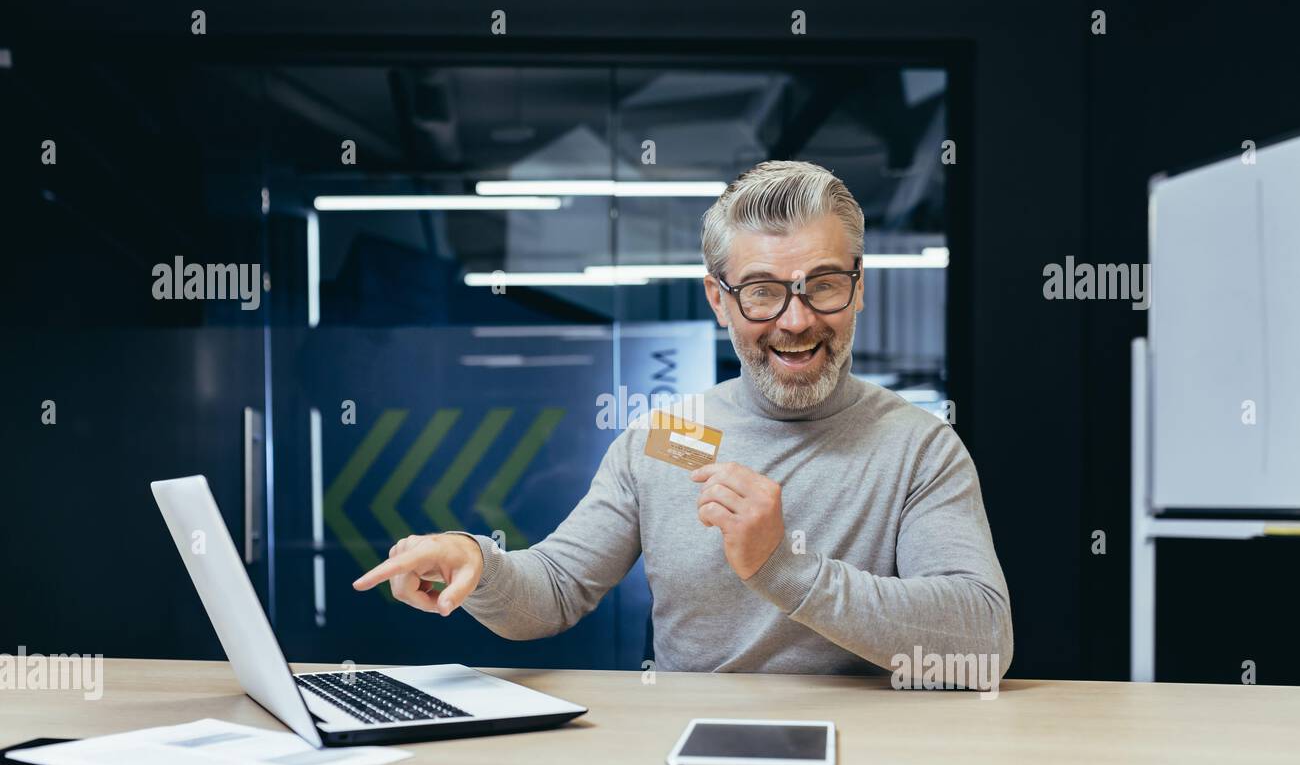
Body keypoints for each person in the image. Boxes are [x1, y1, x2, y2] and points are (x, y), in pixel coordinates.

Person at [354, 160, 1012, 682]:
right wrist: (479, 562)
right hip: (690, 762)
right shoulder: (669, 441)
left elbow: (982, 640)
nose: (796, 319)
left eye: (825, 284)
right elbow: (555, 591)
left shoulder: (920, 448)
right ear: (718, 300)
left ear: (860, 285)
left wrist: (783, 568)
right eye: (761, 291)